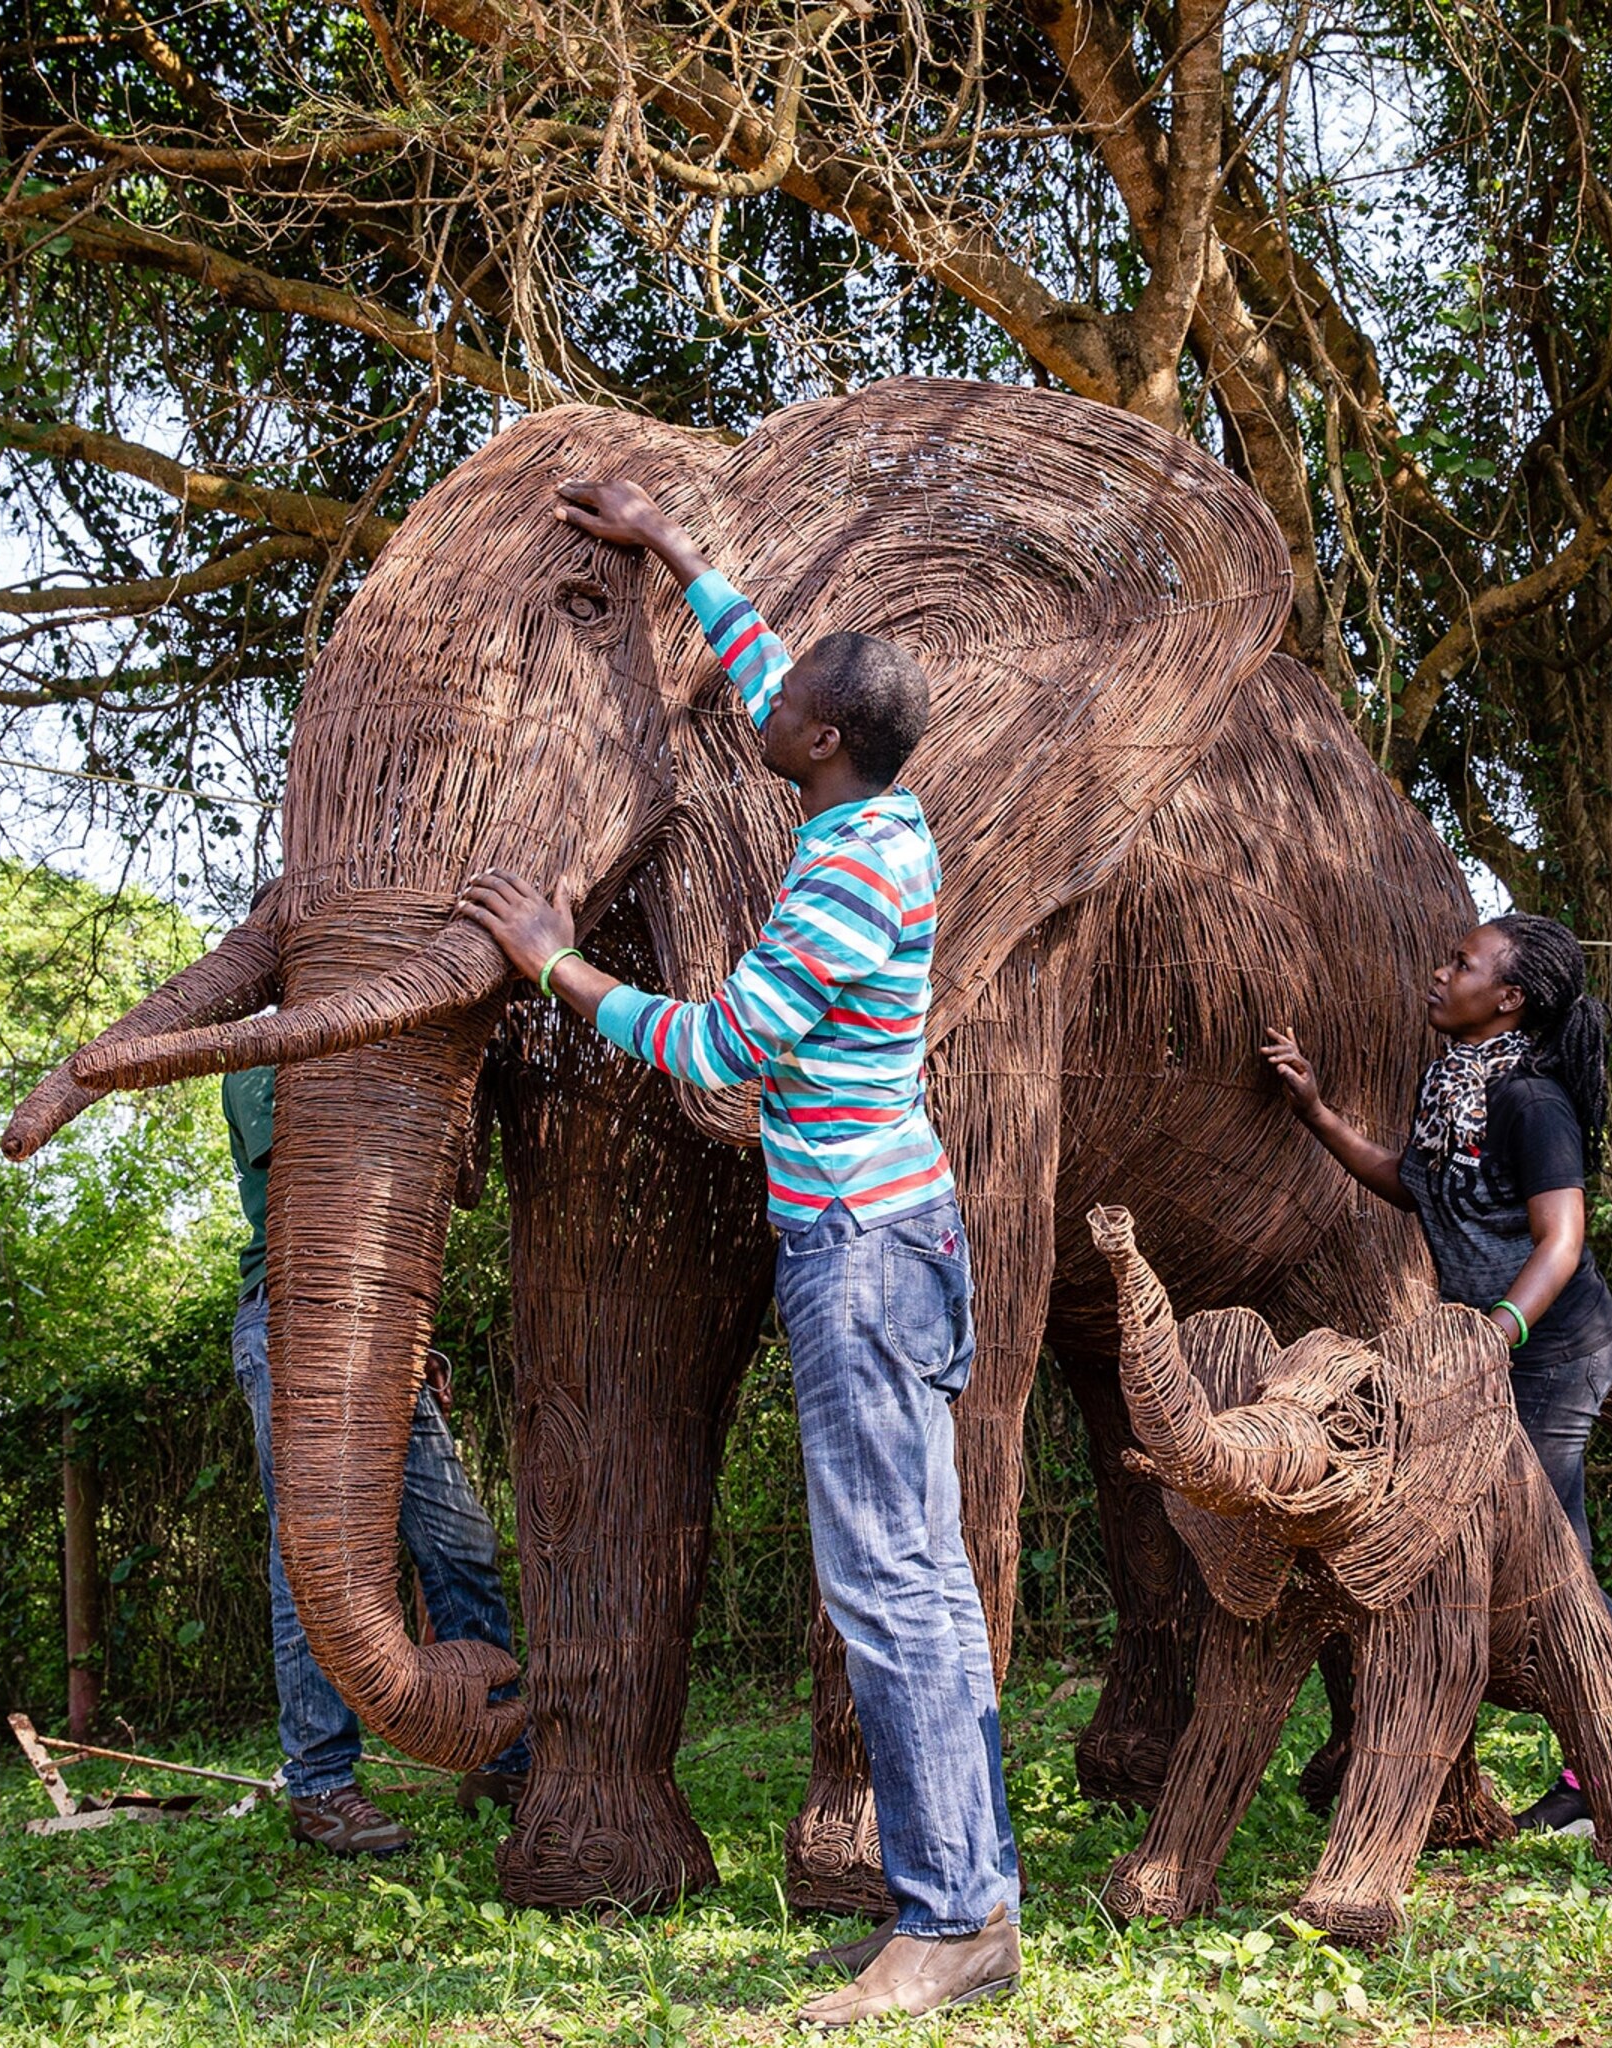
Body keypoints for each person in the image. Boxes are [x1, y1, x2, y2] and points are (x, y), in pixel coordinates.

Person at [457, 479, 1018, 2026]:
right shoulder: (874, 801)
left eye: (784, 716)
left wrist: (548, 962)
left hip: (854, 1247)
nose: (751, 715)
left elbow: (722, 1045)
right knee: (927, 1581)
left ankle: (954, 1917)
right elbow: (773, 671)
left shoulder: (844, 872)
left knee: (888, 1586)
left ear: (821, 748)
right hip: (895, 1226)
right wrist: (677, 551)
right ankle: (973, 1895)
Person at [1261, 915, 1612, 1837]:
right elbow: (1417, 1184)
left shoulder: (1530, 1101)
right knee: (1540, 1552)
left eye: (1462, 964)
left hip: (1554, 1349)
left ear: (1510, 998)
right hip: (1496, 1351)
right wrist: (1316, 1110)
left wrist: (1499, 1329)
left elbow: (1562, 1240)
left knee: (1551, 1555)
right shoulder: (1452, 1084)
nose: (1440, 973)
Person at [224, 1061, 532, 1856]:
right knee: (315, 1562)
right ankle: (323, 1787)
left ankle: (501, 1757)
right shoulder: (260, 1061)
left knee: (459, 1538)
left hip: (387, 1328)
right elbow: (327, 1164)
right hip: (295, 1318)